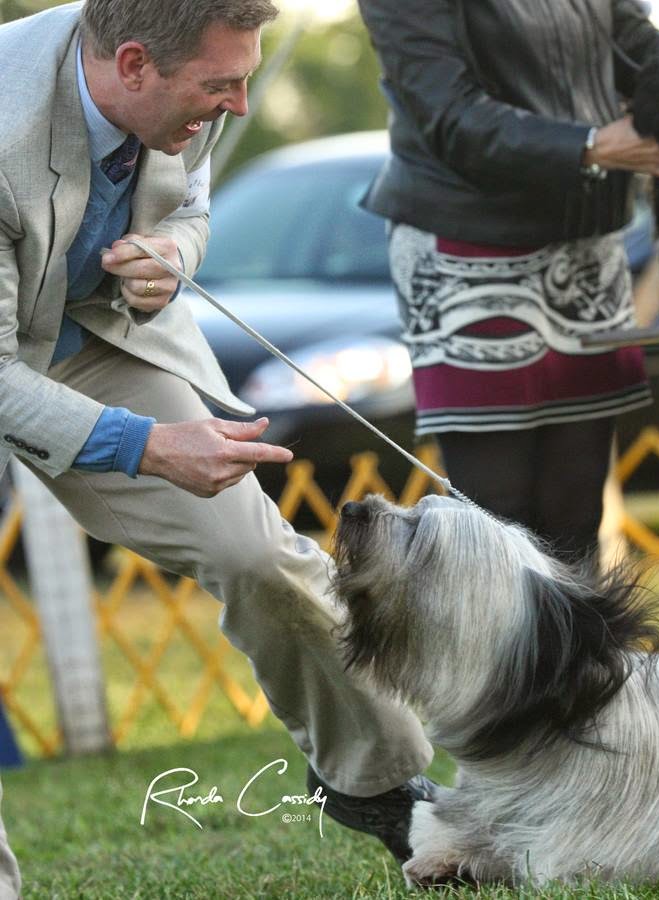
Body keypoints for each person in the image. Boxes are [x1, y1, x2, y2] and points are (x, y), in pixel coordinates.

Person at [0, 2, 435, 895]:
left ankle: (382, 787)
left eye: (244, 80)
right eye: (221, 86)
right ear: (132, 65)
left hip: (85, 342)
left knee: (256, 553)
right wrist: (148, 446)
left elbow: (190, 205)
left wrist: (171, 253)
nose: (238, 104)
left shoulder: (187, 80)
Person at [357, 0, 659, 562]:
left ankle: (579, 627)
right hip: (464, 243)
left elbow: (633, 39)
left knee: (578, 515)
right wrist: (590, 146)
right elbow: (448, 112)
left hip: (586, 237)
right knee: (495, 523)